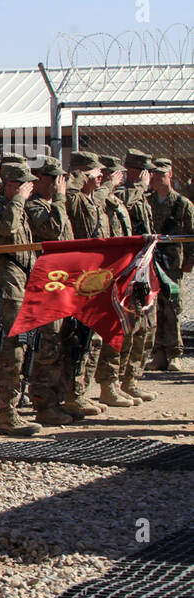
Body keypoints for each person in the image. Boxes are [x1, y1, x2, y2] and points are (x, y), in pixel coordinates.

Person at [0, 158, 42, 436]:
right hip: (8, 289)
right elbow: (6, 228)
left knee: (21, 348)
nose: (27, 189)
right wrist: (18, 199)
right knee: (11, 352)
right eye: (21, 184)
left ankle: (12, 408)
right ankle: (6, 413)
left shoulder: (17, 210)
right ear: (8, 185)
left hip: (22, 284)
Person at [22, 156, 75, 424]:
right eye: (51, 178)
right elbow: (53, 230)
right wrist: (61, 200)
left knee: (62, 342)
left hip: (60, 280)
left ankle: (57, 400)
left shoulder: (51, 204)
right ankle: (44, 404)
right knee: (49, 344)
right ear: (38, 178)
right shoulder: (35, 206)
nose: (57, 183)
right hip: (45, 283)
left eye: (59, 178)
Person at [63, 152, 108, 415]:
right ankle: (73, 394)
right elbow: (68, 194)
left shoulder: (92, 199)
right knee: (78, 339)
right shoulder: (74, 195)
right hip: (78, 278)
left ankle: (83, 391)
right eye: (94, 173)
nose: (100, 177)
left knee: (93, 339)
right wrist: (78, 176)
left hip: (95, 276)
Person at [93, 154, 138, 406]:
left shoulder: (114, 200)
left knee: (121, 328)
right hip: (100, 275)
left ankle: (115, 381)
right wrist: (107, 185)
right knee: (102, 334)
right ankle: (105, 384)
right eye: (114, 176)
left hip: (120, 273)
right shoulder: (95, 199)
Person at [117, 149, 159, 396]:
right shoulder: (124, 193)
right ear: (136, 171)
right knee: (130, 324)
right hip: (127, 269)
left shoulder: (142, 196)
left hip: (143, 268)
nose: (149, 176)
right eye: (147, 171)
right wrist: (139, 188)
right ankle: (120, 378)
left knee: (144, 323)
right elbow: (123, 203)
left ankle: (131, 379)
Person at [148, 156, 194, 371]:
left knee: (173, 306)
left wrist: (190, 261)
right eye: (155, 175)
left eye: (162, 175)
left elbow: (192, 235)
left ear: (171, 175)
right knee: (154, 305)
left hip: (173, 261)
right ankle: (157, 353)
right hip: (150, 261)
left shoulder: (182, 204)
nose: (158, 179)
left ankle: (174, 352)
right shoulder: (146, 201)